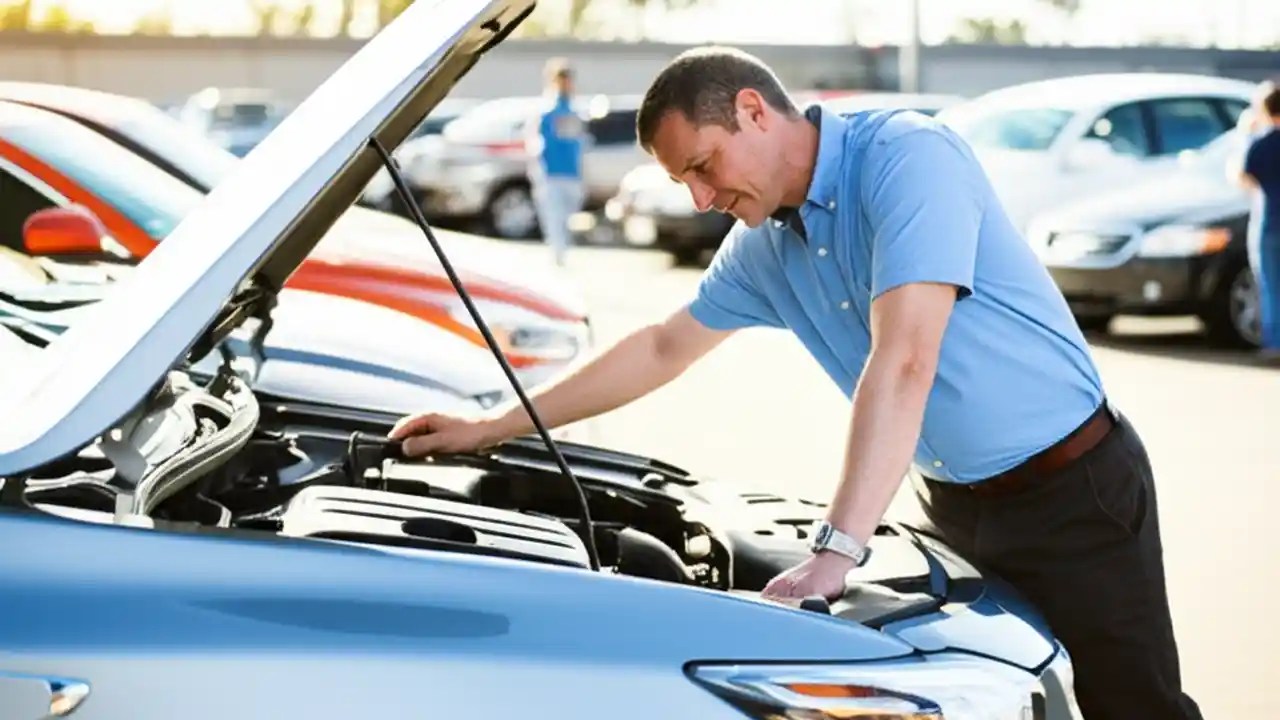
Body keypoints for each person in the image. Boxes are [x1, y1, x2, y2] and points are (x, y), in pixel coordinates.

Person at [390, 46, 1200, 719]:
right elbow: (664, 345)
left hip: (1074, 493)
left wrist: (836, 552)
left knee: (1134, 708)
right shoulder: (764, 246)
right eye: (685, 185)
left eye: (703, 167)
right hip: (954, 503)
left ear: (753, 109)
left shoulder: (906, 158)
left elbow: (906, 358)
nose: (703, 199)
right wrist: (491, 426)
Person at [524, 57, 586, 267]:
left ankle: (563, 249)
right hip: (550, 173)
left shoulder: (576, 110)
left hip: (571, 173)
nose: (565, 84)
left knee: (569, 215)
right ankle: (557, 254)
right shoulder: (545, 111)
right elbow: (535, 143)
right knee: (553, 216)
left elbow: (580, 143)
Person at [1235, 80, 1280, 357]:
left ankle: (1275, 344)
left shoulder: (1260, 144)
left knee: (1271, 285)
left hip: (1270, 221)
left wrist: (1245, 135)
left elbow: (1242, 177)